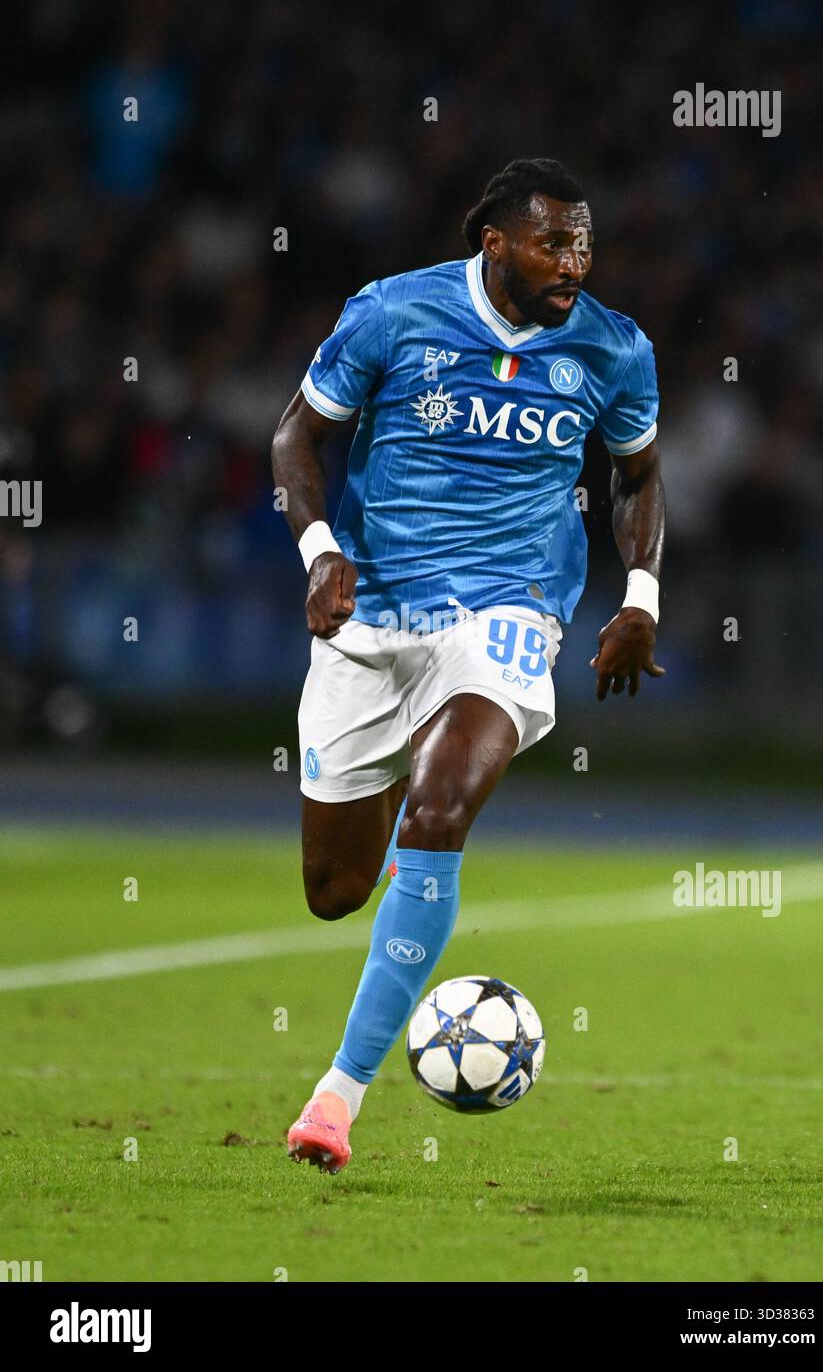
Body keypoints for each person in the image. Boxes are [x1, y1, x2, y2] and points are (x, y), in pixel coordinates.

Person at [271, 157, 665, 1173]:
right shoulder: (392, 315)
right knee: (333, 889)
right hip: (375, 609)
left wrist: (638, 595)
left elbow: (637, 475)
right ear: (495, 243)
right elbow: (297, 440)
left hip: (510, 604)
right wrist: (321, 555)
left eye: (583, 242)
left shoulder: (613, 348)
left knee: (440, 810)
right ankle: (413, 806)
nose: (573, 260)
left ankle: (335, 1098)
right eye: (551, 242)